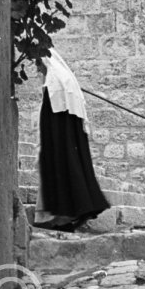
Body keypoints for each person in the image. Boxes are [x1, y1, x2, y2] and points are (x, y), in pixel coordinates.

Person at [33, 48, 109, 232]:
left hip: (58, 142)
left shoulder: (55, 85)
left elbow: (52, 117)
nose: (37, 70)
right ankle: (65, 217)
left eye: (37, 64)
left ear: (45, 62)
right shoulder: (64, 81)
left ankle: (63, 218)